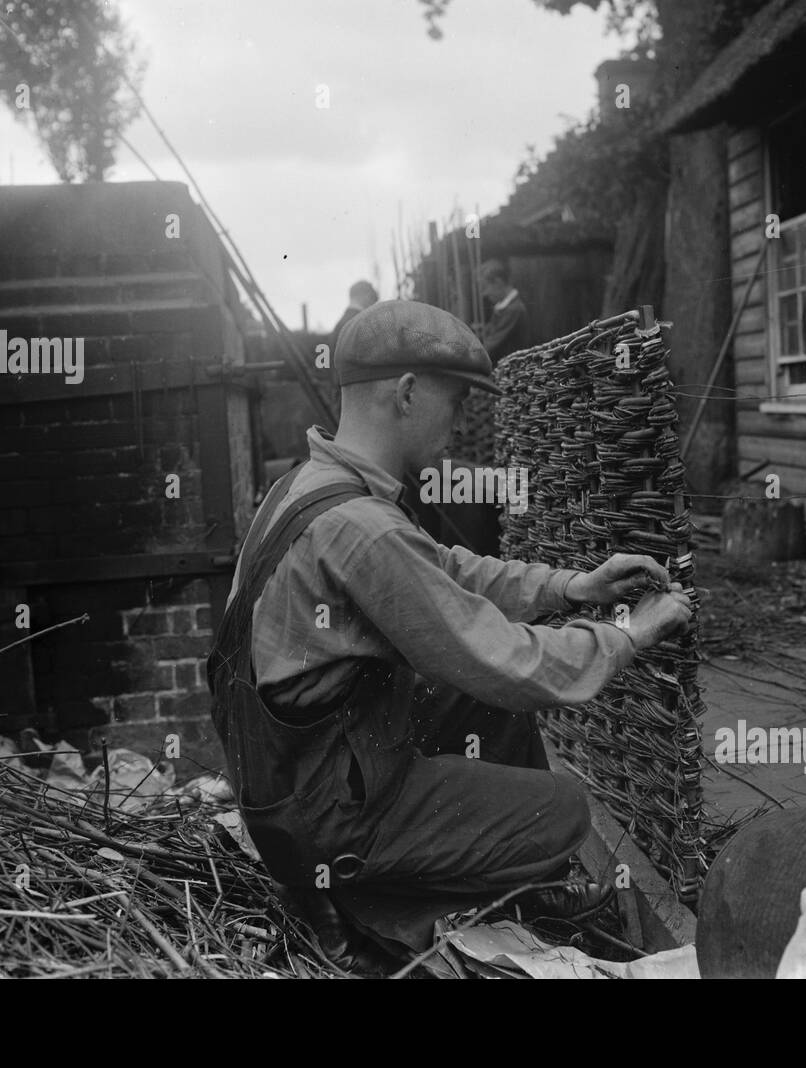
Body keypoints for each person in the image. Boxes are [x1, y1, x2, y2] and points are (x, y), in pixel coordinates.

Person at [208, 299, 694, 971]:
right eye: (456, 401)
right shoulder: (360, 527)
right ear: (407, 393)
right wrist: (630, 636)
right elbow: (504, 661)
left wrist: (571, 588)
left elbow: (443, 571)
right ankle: (383, 907)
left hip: (297, 776)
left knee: (485, 707)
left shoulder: (310, 486)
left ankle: (503, 880)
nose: (461, 422)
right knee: (561, 812)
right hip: (320, 815)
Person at [476, 259, 529, 363]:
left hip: (511, 371)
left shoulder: (513, 310)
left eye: (485, 287)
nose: (484, 294)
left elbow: (491, 346)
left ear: (498, 282)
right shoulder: (504, 308)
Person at [328, 280, 379, 357]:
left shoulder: (342, 323)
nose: (372, 307)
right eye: (372, 300)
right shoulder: (362, 322)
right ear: (366, 296)